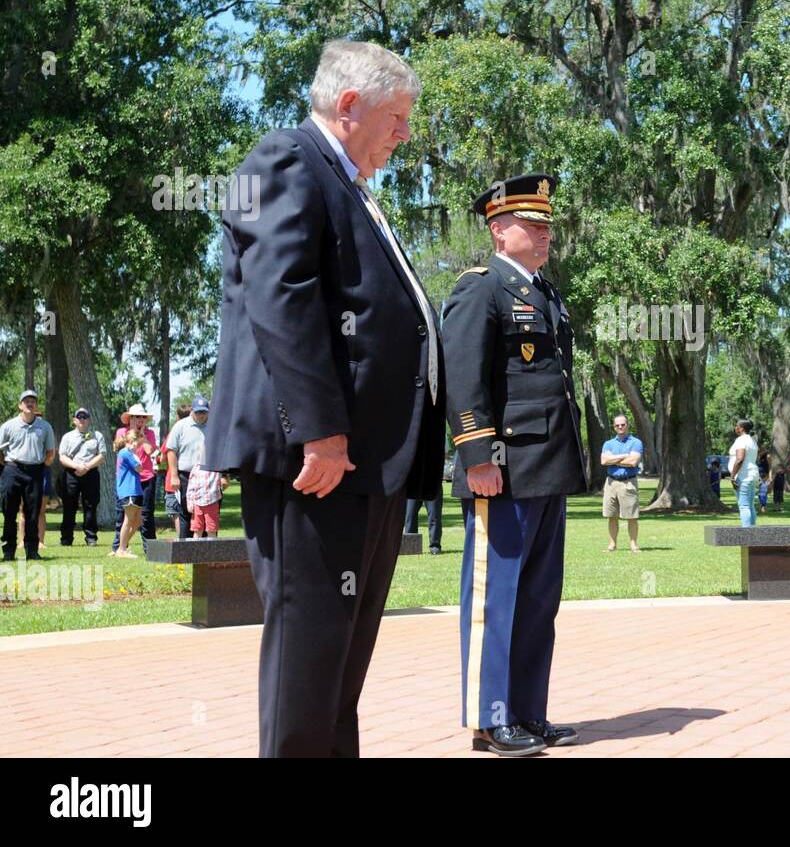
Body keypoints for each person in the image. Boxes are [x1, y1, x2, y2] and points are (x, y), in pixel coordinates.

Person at [205, 39, 446, 758]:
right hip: (315, 462)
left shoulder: (351, 186)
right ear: (350, 106)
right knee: (309, 661)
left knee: (339, 666)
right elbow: (282, 298)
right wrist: (321, 432)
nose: (405, 134)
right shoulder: (286, 160)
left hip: (366, 466)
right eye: (397, 118)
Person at [443, 173, 587, 757]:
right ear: (500, 230)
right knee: (494, 597)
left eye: (548, 225)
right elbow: (464, 378)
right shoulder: (482, 288)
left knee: (537, 598)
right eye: (534, 225)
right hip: (500, 468)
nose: (545, 234)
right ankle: (490, 717)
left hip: (546, 465)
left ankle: (528, 711)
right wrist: (477, 456)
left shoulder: (545, 293)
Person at [1, 389, 56, 561]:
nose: (30, 403)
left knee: (33, 512)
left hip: (35, 472)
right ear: (20, 405)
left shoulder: (45, 426)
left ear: (36, 405)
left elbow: (50, 452)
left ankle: (32, 550)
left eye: (33, 401)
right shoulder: (9, 425)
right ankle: (9, 551)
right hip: (12, 470)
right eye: (26, 401)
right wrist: (8, 466)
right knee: (9, 511)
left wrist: (40, 467)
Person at [111, 404, 159, 552]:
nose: (141, 419)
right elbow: (120, 451)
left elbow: (150, 451)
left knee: (146, 516)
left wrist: (142, 435)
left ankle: (150, 549)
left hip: (146, 478)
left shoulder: (149, 434)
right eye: (137, 416)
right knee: (122, 515)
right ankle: (118, 547)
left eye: (143, 417)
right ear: (130, 418)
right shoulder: (122, 432)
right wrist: (134, 434)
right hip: (128, 480)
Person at [58, 408, 107, 546]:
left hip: (90, 473)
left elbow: (102, 455)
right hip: (71, 473)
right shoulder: (67, 437)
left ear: (89, 419)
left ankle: (91, 537)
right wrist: (76, 466)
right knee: (69, 506)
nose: (82, 419)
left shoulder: (97, 436)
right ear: (74, 420)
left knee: (91, 506)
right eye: (79, 417)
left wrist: (87, 467)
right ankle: (66, 538)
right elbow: (62, 457)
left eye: (85, 417)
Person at [166, 398, 208, 540]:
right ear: (192, 411)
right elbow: (170, 450)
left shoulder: (214, 426)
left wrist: (223, 477)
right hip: (186, 475)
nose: (201, 415)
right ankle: (185, 549)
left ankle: (207, 552)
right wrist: (174, 475)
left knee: (208, 513)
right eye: (198, 412)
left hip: (207, 476)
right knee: (186, 512)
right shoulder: (181, 426)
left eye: (204, 412)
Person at [600, 414, 643, 552]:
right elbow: (604, 461)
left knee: (631, 516)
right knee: (611, 516)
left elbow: (633, 462)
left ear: (627, 425)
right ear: (614, 427)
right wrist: (624, 456)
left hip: (628, 482)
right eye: (617, 425)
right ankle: (612, 544)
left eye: (622, 424)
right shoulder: (608, 444)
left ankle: (634, 545)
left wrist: (613, 460)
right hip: (611, 483)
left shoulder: (636, 442)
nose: (620, 427)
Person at [112, 430, 144, 558]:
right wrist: (137, 457)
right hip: (129, 490)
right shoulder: (125, 453)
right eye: (139, 444)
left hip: (135, 489)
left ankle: (123, 545)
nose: (139, 447)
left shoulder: (127, 453)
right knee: (128, 520)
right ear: (133, 441)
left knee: (137, 521)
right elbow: (139, 468)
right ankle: (121, 549)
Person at [162, 404, 191, 534]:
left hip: (173, 482)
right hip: (187, 479)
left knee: (178, 514)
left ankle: (183, 544)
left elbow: (163, 457)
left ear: (177, 416)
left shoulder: (175, 431)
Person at [728, 418, 760, 527]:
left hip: (744, 476)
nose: (735, 428)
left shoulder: (741, 440)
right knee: (750, 505)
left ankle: (746, 533)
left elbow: (739, 459)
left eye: (737, 426)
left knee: (744, 506)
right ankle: (752, 531)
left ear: (741, 428)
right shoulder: (752, 441)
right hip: (752, 475)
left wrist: (732, 477)